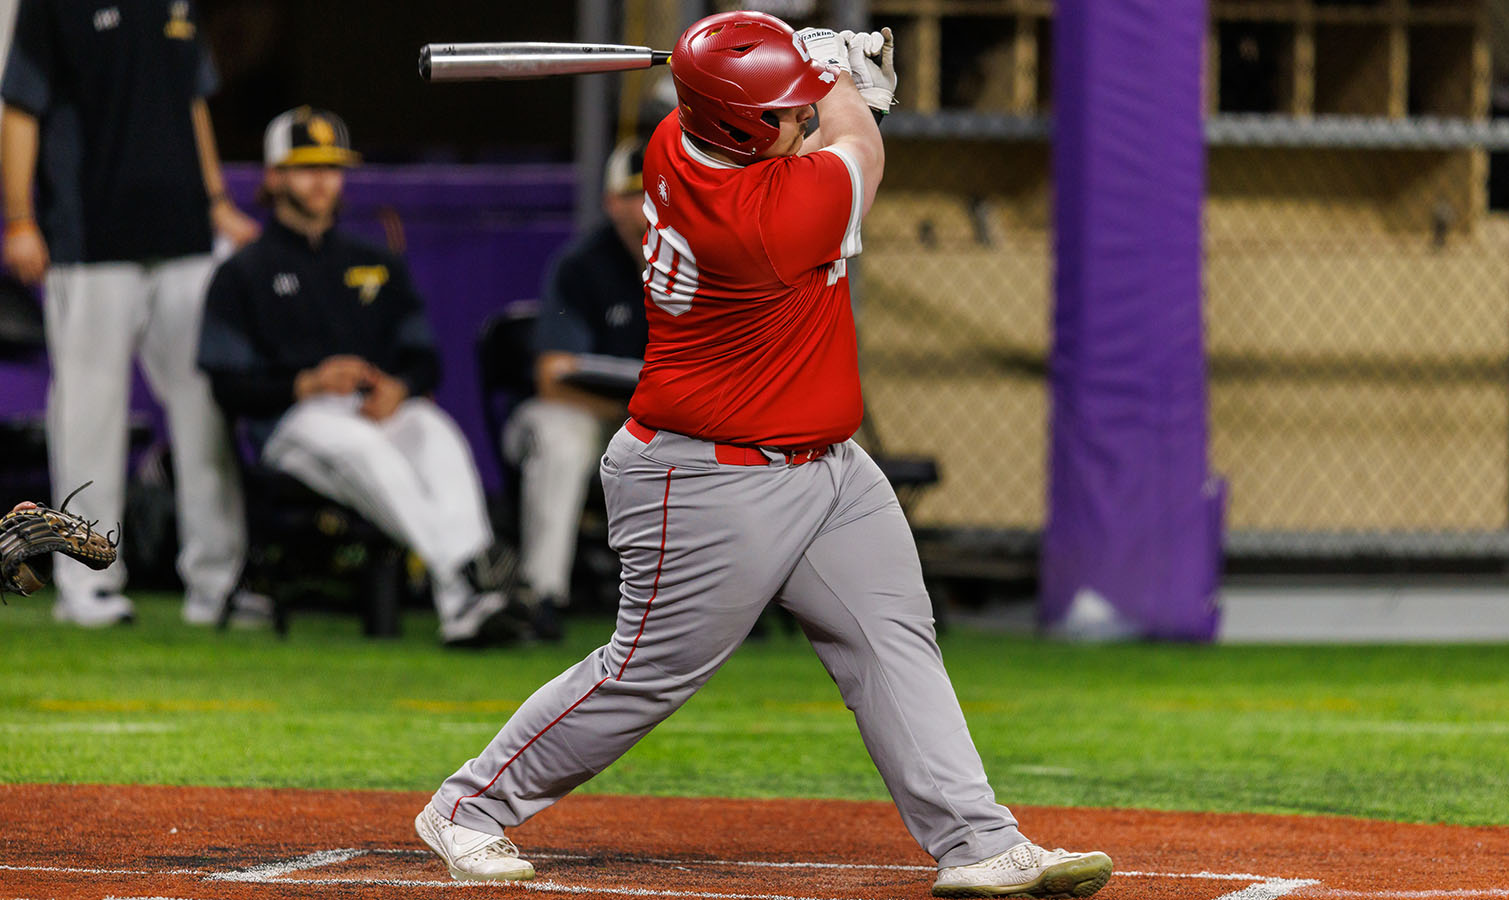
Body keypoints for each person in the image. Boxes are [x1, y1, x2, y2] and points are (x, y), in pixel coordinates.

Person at [416, 13, 1113, 898]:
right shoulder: (766, 221)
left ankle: (978, 841)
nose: (802, 118)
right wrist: (841, 81)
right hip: (707, 477)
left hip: (827, 468)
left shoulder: (679, 137)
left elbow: (783, 112)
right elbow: (861, 143)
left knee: (894, 644)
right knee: (646, 674)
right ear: (740, 127)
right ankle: (469, 805)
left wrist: (796, 66)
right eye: (784, 112)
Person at [197, 107, 528, 648]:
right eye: (306, 167)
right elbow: (225, 386)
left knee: (439, 437)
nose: (322, 180)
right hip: (291, 423)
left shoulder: (374, 259)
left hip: (378, 408)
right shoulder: (242, 273)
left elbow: (425, 358)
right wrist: (306, 383)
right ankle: (471, 581)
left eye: (332, 167)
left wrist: (398, 385)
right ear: (273, 176)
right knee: (368, 453)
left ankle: (464, 606)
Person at [0, 0, 262, 627]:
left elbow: (192, 102)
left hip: (185, 236)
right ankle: (87, 587)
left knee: (205, 408)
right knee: (90, 413)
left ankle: (214, 584)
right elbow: (19, 109)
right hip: (91, 241)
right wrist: (19, 218)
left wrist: (217, 199)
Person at [502, 138, 650, 640]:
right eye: (634, 194)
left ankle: (731, 603)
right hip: (590, 415)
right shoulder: (583, 266)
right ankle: (541, 595)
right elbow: (552, 377)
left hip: (661, 422)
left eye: (658, 190)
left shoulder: (701, 261)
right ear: (611, 203)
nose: (648, 205)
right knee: (560, 438)